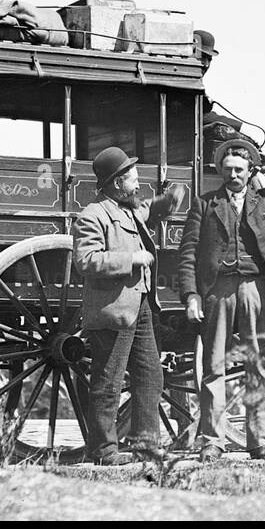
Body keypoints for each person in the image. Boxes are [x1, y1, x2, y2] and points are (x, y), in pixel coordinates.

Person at [178, 142, 265, 461]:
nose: (233, 176)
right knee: (214, 367)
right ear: (220, 171)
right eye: (227, 170)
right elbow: (187, 253)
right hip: (218, 291)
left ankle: (259, 441)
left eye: (239, 170)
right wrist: (191, 295)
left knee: (259, 365)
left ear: (251, 171)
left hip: (257, 289)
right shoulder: (203, 205)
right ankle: (213, 441)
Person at [73, 146, 183, 465]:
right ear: (118, 182)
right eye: (134, 178)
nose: (139, 184)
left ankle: (145, 445)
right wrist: (130, 259)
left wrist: (169, 201)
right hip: (113, 310)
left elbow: (148, 209)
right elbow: (86, 260)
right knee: (108, 383)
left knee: (151, 375)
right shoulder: (92, 216)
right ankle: (104, 451)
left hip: (142, 305)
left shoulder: (129, 209)